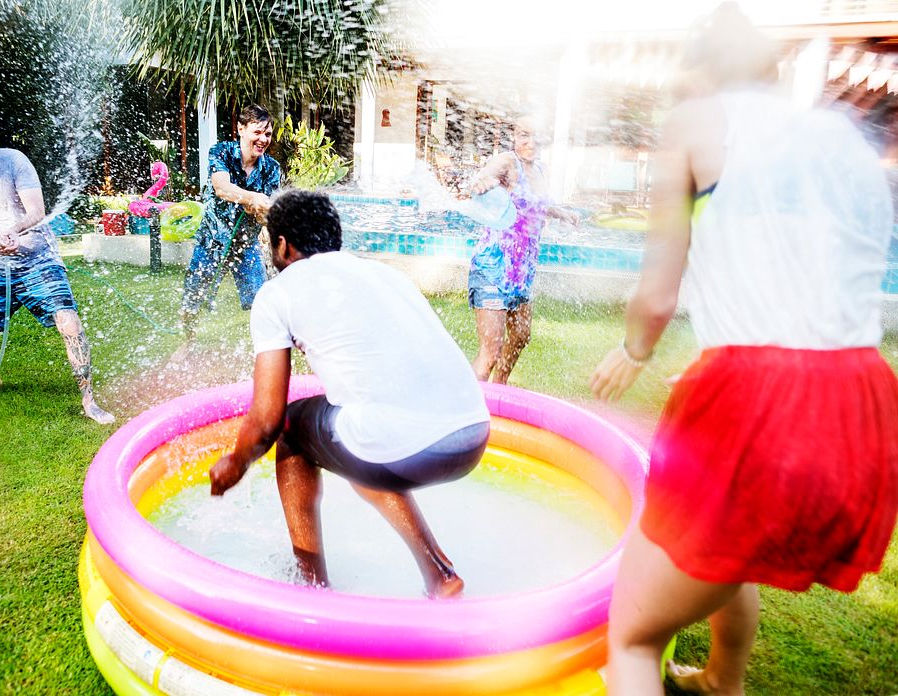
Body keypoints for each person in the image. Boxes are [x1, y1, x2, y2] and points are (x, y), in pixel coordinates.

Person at [589, 5, 897, 695]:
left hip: (756, 397)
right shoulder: (841, 137)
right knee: (729, 545)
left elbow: (658, 296)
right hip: (858, 405)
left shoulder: (697, 120)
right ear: (774, 70)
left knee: (634, 637)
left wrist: (635, 351)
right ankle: (723, 682)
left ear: (698, 72)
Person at [209, 189, 491, 598]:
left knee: (294, 429)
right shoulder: (386, 274)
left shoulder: (278, 292)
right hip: (473, 433)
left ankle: (312, 587)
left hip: (405, 444)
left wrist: (236, 462)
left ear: (283, 245)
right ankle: (440, 576)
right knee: (357, 433)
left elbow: (268, 419)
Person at [0, 107, 114, 425]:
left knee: (69, 326)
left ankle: (89, 400)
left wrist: (14, 232)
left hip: (39, 260)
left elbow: (36, 210)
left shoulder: (14, 160)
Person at [467, 117, 580, 383]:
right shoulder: (507, 162)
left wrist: (562, 213)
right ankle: (468, 412)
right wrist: (481, 183)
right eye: (523, 135)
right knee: (490, 353)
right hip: (493, 268)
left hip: (521, 273)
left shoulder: (541, 170)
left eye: (536, 136)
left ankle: (500, 389)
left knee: (520, 337)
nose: (529, 142)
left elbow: (538, 204)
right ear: (514, 137)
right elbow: (482, 178)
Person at [181, 105, 282, 338]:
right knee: (191, 301)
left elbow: (264, 215)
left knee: (261, 302)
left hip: (246, 246)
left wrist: (263, 213)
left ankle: (265, 352)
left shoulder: (272, 169)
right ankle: (188, 342)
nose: (263, 139)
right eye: (257, 132)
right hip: (212, 242)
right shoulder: (221, 152)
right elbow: (222, 188)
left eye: (267, 134)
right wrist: (252, 198)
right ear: (241, 129)